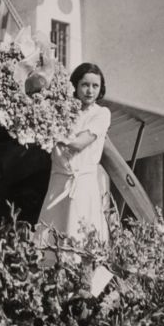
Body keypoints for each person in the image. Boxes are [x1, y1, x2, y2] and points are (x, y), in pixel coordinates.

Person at [36, 63, 112, 245]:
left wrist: (51, 130)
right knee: (49, 236)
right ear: (75, 85)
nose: (90, 91)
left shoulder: (101, 114)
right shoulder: (61, 110)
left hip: (84, 185)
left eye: (95, 86)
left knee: (80, 235)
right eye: (85, 85)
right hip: (59, 181)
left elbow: (78, 144)